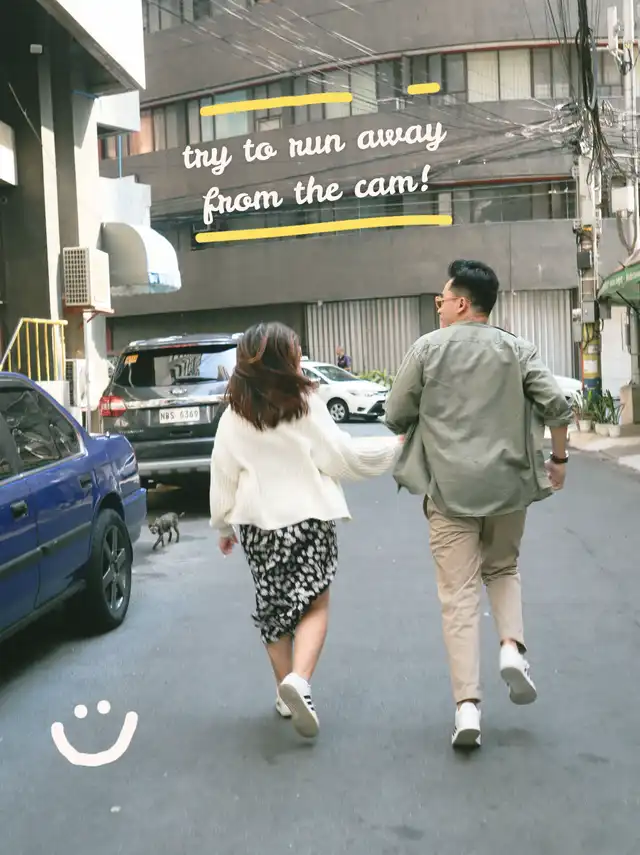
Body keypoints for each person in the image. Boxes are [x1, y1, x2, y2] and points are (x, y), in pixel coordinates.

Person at [384, 260, 573, 750]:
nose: (439, 307)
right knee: (503, 568)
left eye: (442, 300)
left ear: (463, 303)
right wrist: (558, 460)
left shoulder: (427, 349)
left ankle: (467, 707)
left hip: (449, 492)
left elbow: (395, 413)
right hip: (509, 488)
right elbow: (557, 406)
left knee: (459, 596)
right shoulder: (518, 349)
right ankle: (511, 647)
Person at [209, 321, 402, 739]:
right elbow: (341, 458)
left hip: (258, 527)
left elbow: (222, 475)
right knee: (315, 603)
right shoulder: (305, 404)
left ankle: (285, 692)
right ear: (285, 360)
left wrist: (223, 524)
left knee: (273, 611)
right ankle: (299, 680)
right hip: (310, 519)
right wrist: (393, 449)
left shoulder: (234, 415)